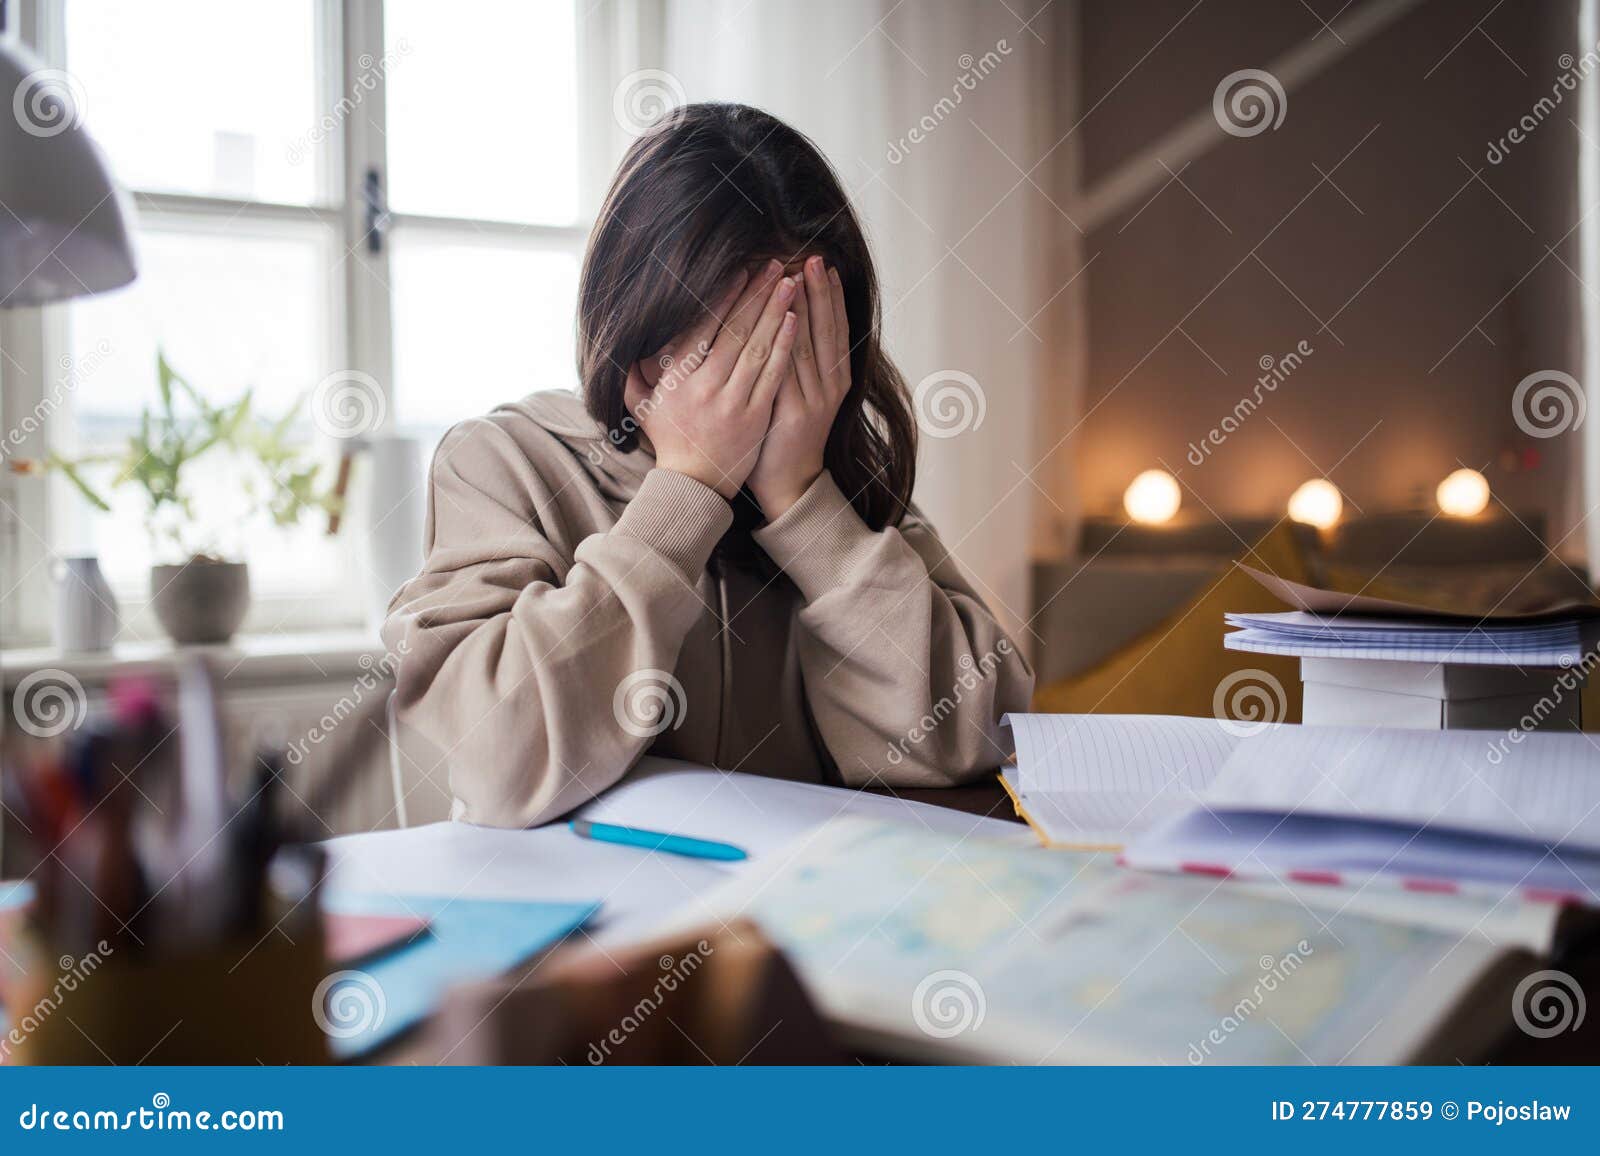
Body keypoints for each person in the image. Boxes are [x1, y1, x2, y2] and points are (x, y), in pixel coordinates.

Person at [383, 102, 1033, 827]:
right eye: (740, 349)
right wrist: (688, 488)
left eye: (802, 344)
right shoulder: (504, 463)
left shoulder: (841, 480)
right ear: (645, 349)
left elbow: (970, 740)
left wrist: (806, 505)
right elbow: (502, 762)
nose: (774, 375)